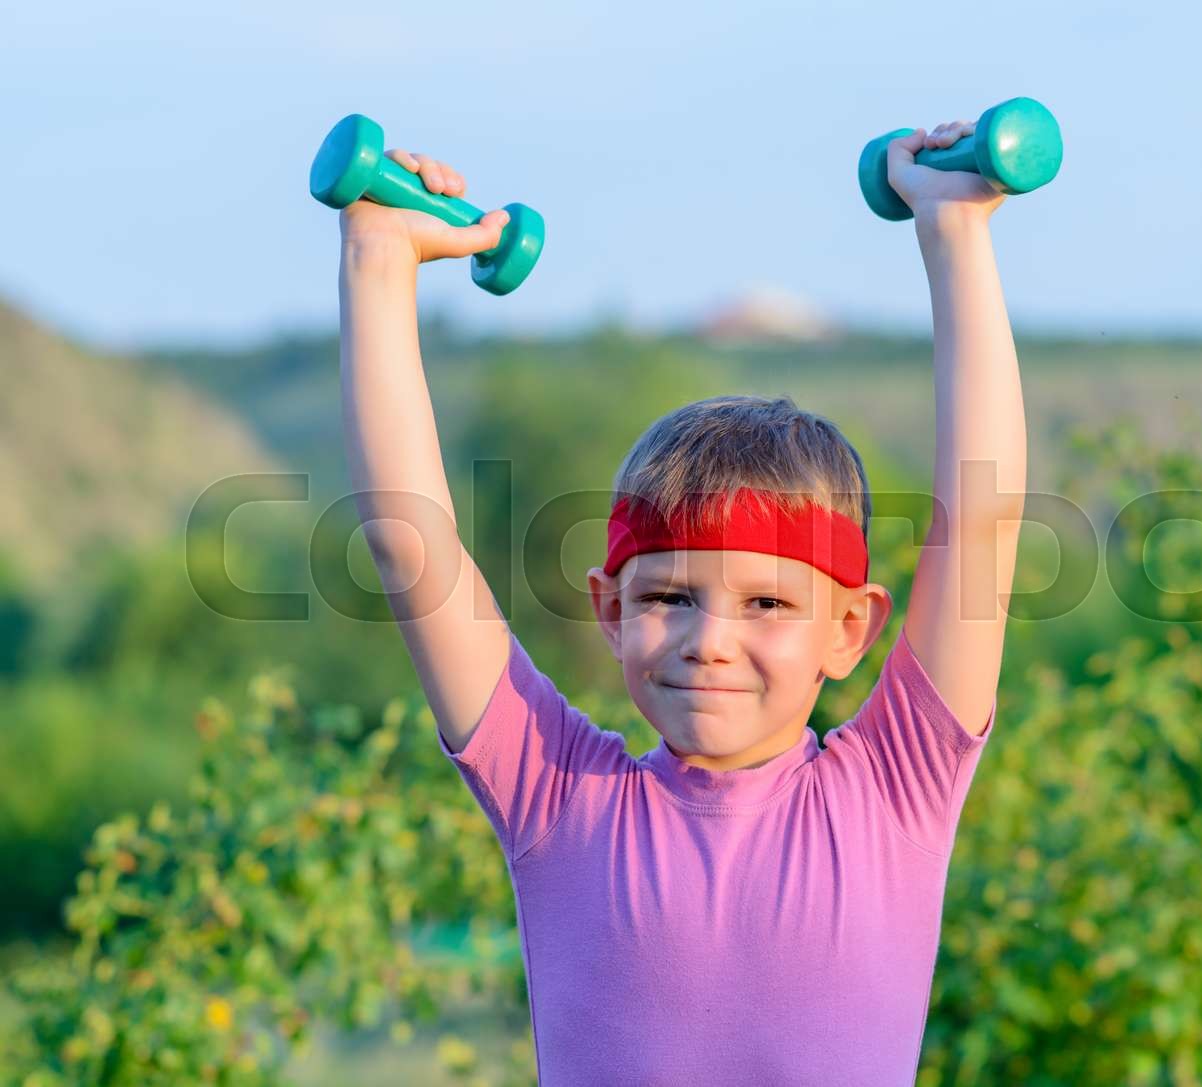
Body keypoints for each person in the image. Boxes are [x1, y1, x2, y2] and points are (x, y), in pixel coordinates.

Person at [337, 120, 1027, 1084]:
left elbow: (985, 519)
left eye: (767, 605)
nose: (710, 641)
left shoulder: (894, 790)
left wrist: (953, 232)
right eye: (669, 595)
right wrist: (378, 261)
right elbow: (410, 544)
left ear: (849, 628)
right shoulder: (555, 791)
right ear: (610, 609)